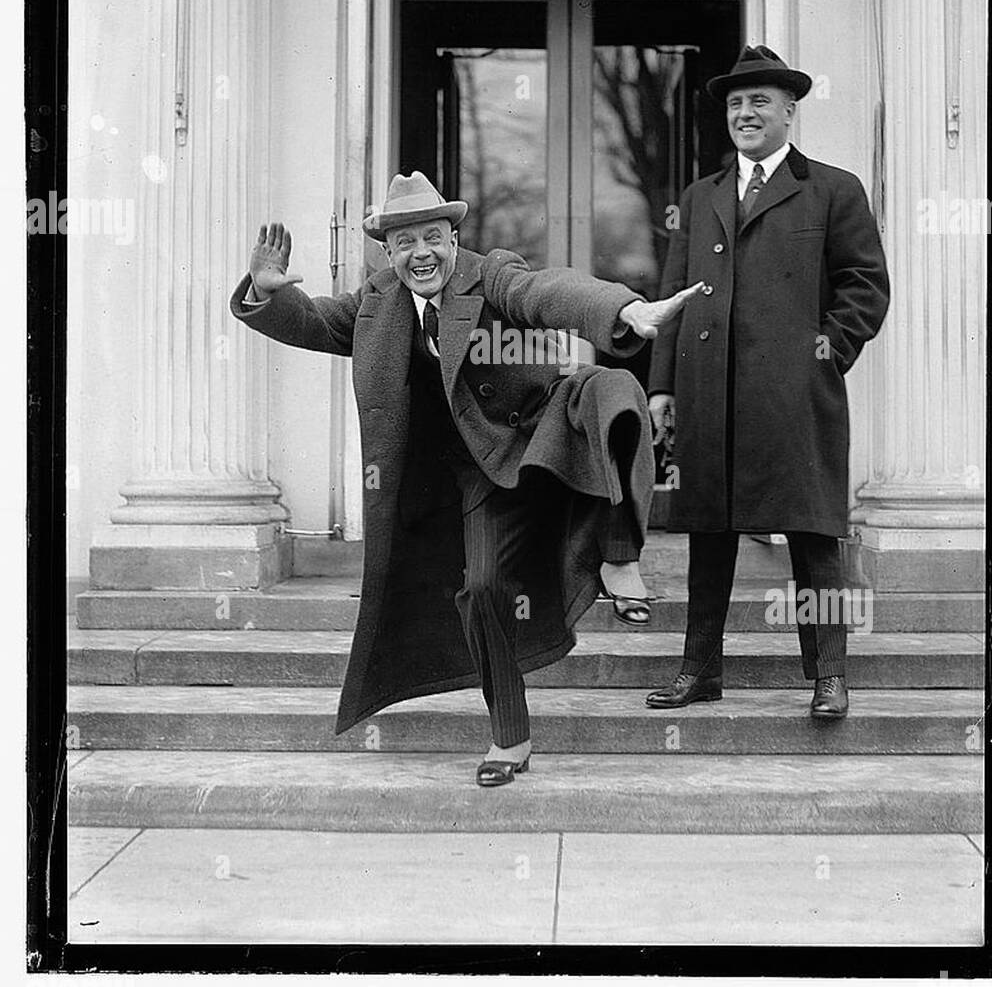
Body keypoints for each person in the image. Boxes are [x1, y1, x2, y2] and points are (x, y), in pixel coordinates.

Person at [231, 172, 701, 785]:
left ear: (453, 236)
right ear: (387, 252)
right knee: (480, 591)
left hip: (535, 442)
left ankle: (619, 554)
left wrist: (624, 308)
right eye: (404, 243)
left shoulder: (491, 275)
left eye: (432, 237)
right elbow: (318, 322)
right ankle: (510, 735)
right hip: (474, 477)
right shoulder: (378, 302)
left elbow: (545, 292)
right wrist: (268, 295)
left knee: (611, 391)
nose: (420, 253)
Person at [645, 45, 890, 719]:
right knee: (708, 533)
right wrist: (663, 386)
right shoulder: (700, 196)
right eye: (734, 104)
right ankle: (699, 671)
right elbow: (671, 295)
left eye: (758, 102)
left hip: (794, 395)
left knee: (814, 535)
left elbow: (864, 287)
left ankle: (829, 675)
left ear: (788, 111)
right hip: (708, 393)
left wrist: (823, 353)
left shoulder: (832, 188)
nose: (744, 114)